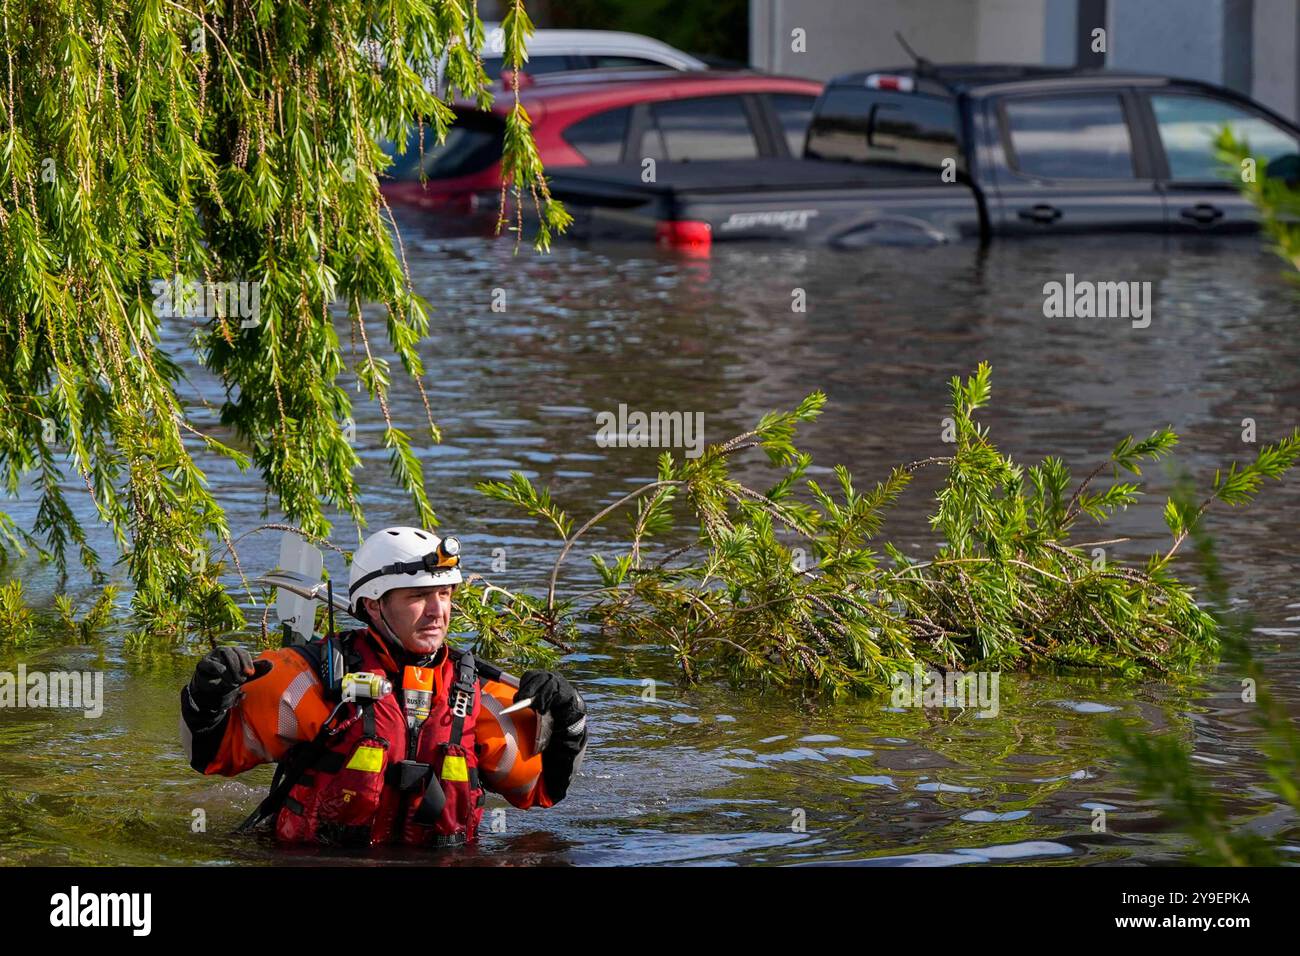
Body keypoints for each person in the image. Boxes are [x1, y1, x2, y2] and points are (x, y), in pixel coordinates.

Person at [180, 527, 587, 847]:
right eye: (419, 597)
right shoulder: (308, 678)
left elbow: (541, 792)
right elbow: (210, 758)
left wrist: (569, 723)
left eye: (444, 594)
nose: (438, 611)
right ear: (374, 604)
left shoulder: (479, 695)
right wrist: (208, 699)